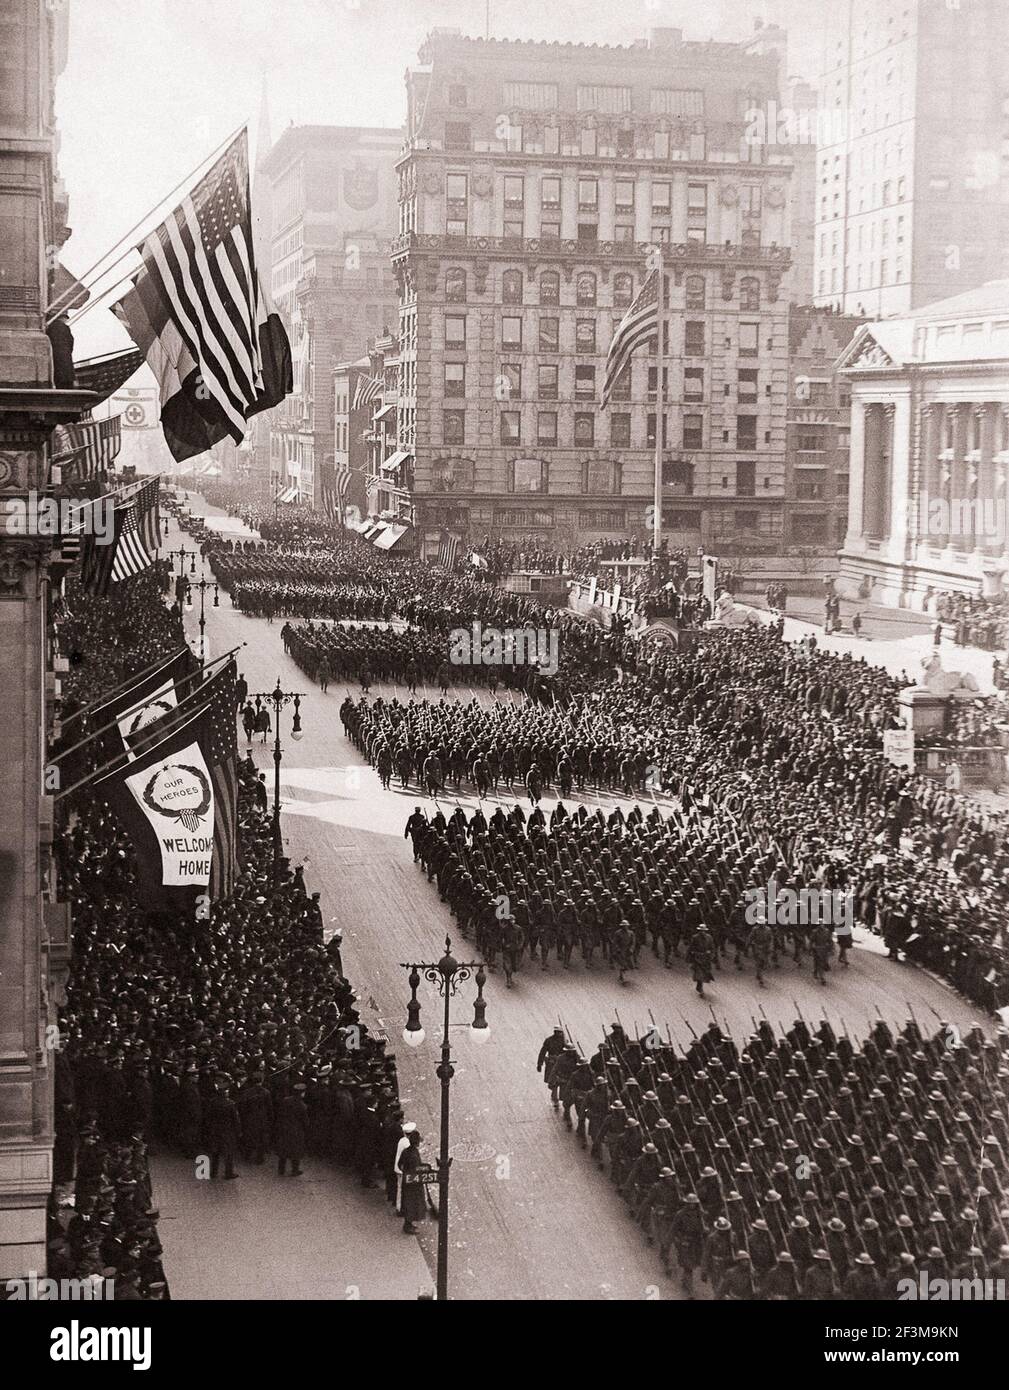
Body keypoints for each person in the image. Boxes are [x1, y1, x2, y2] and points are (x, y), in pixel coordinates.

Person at [398, 1130, 429, 1234]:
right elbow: (417, 1168)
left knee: (407, 1201)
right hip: (414, 1183)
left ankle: (408, 1222)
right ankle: (408, 1225)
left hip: (407, 1182)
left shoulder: (406, 1151)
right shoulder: (414, 1154)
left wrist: (405, 1172)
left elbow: (400, 1164)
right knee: (412, 1203)